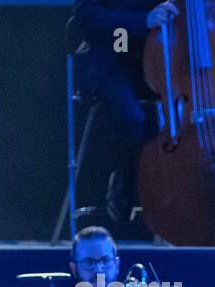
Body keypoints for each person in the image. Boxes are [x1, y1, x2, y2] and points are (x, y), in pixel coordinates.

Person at [66, 1, 173, 232]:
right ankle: (128, 181)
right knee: (132, 115)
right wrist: (143, 22)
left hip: (160, 58)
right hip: (110, 61)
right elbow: (89, 19)